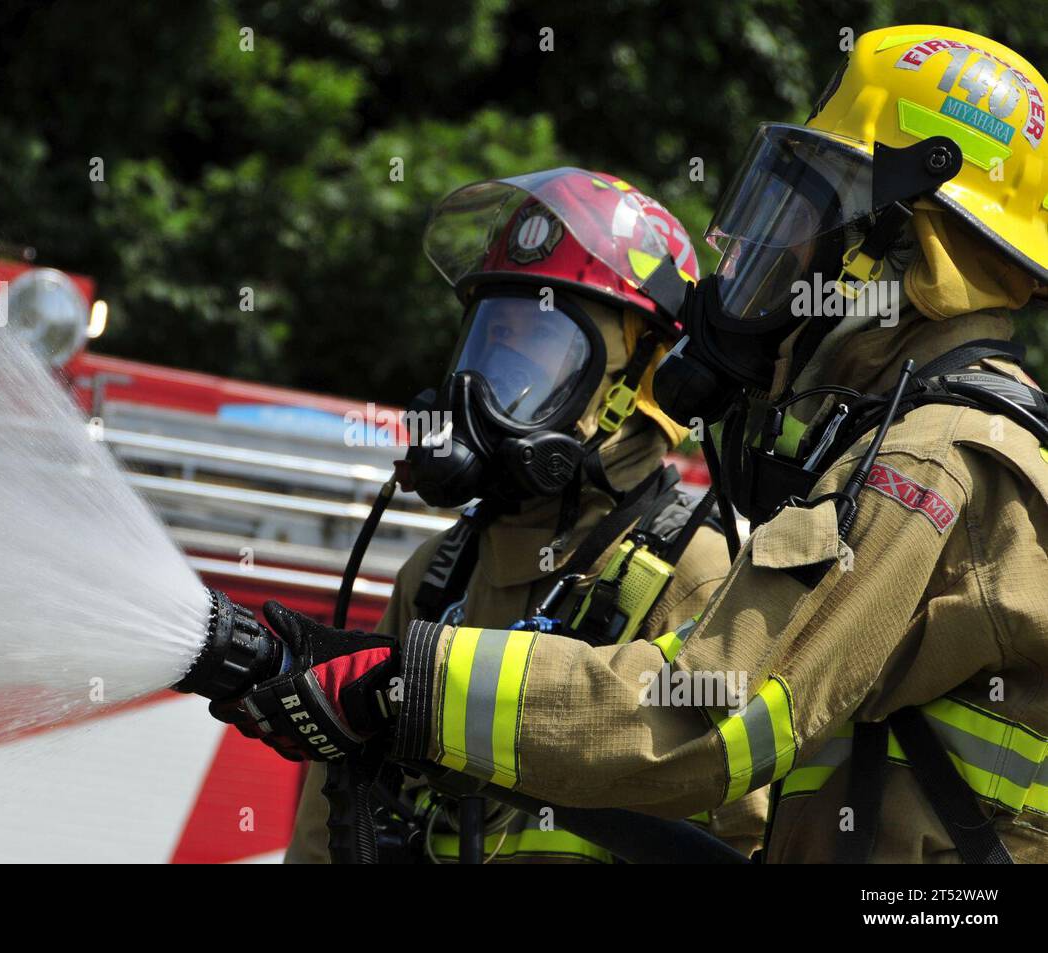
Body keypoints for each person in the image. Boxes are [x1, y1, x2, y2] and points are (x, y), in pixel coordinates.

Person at [198, 24, 1048, 863]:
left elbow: (711, 714)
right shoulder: (929, 438)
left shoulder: (932, 457)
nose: (782, 263)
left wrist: (408, 684)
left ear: (901, 247)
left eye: (814, 220)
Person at [282, 168, 762, 862]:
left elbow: (738, 843)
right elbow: (324, 837)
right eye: (490, 344)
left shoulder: (694, 576)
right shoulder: (439, 576)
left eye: (536, 348)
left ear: (640, 382)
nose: (483, 391)